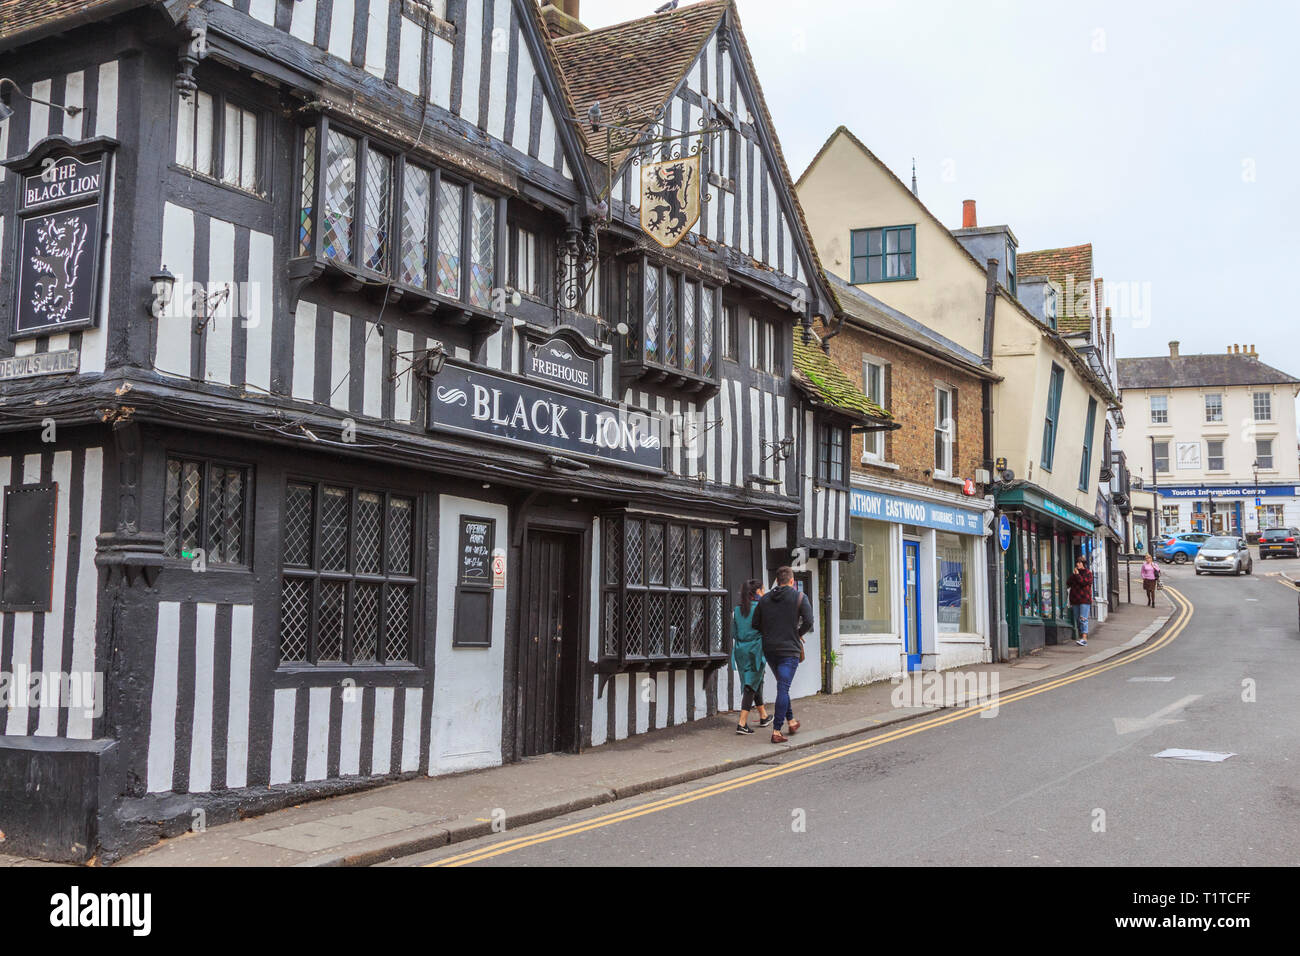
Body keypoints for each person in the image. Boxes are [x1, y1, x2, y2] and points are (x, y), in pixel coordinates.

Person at [751, 566, 814, 744]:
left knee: (782, 685)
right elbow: (809, 621)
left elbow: (755, 623)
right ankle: (777, 731)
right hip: (789, 650)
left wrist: (771, 631)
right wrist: (798, 633)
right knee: (783, 688)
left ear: (777, 581)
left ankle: (792, 721)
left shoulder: (765, 600)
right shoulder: (800, 597)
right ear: (792, 581)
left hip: (770, 649)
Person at [731, 579, 771, 735]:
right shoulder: (761, 608)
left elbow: (733, 633)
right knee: (750, 685)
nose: (764, 593)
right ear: (757, 592)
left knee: (755, 681)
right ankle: (742, 723)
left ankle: (763, 716)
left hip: (740, 650)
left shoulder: (737, 610)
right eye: (762, 590)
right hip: (756, 649)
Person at [1066, 556, 1094, 646]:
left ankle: (1084, 638)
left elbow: (1083, 582)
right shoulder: (1075, 574)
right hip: (1075, 600)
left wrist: (1077, 575)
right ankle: (1081, 636)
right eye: (1077, 562)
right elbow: (1068, 583)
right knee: (1078, 619)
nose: (1077, 564)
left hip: (1084, 600)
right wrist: (1074, 575)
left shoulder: (1088, 573)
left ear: (1083, 564)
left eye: (1079, 562)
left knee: (1083, 618)